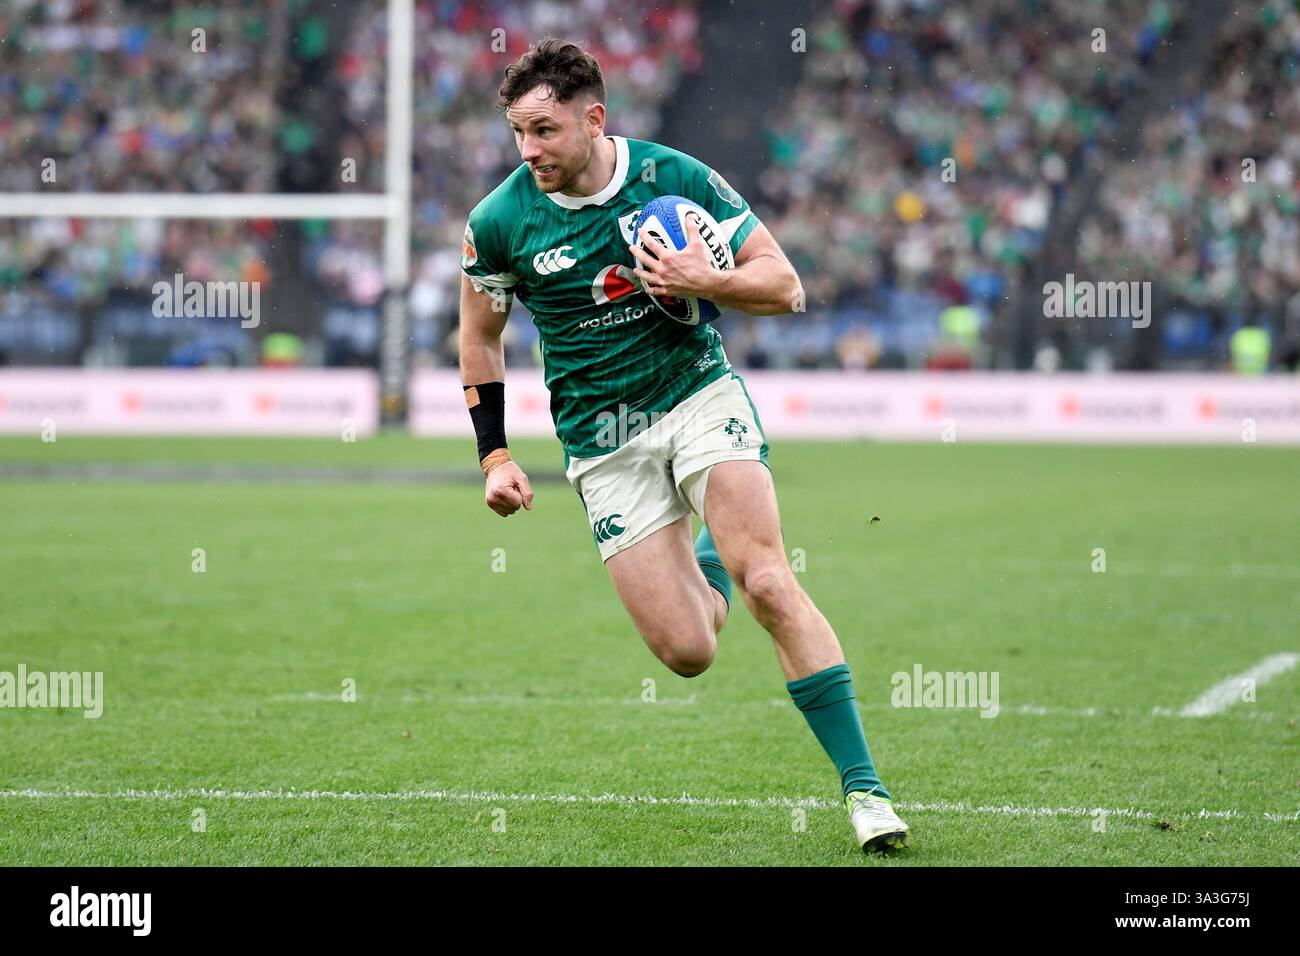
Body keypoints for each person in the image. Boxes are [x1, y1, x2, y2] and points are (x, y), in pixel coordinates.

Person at [457, 38, 908, 853]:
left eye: (545, 130)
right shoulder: (498, 222)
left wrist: (710, 282)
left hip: (698, 396)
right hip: (602, 440)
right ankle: (707, 558)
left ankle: (866, 791)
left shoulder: (676, 178)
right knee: (689, 651)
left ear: (594, 119)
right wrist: (494, 455)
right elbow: (479, 338)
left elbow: (785, 285)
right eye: (518, 132)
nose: (529, 150)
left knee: (768, 581)